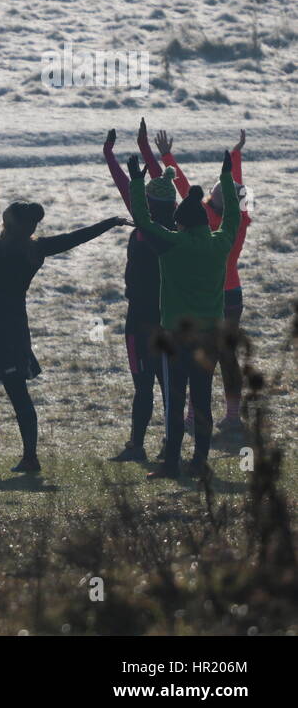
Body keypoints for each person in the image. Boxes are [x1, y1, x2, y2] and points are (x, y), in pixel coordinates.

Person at [0, 203, 128, 472]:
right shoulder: (37, 249)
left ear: (6, 224)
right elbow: (77, 236)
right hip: (13, 326)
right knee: (19, 393)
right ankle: (30, 457)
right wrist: (111, 221)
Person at [128, 151, 240, 479]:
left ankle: (171, 463)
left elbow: (143, 220)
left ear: (180, 223)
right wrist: (226, 180)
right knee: (202, 400)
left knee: (175, 402)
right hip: (210, 336)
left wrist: (137, 182)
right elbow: (232, 215)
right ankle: (200, 463)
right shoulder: (221, 244)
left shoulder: (171, 244)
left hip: (176, 337)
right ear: (205, 222)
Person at [154, 128, 252, 436]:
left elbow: (185, 188)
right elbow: (235, 189)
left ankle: (191, 418)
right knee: (227, 356)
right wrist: (234, 158)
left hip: (206, 295)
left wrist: (167, 156)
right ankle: (233, 415)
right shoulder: (239, 221)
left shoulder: (203, 221)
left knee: (198, 357)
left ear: (210, 199)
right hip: (232, 294)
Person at [102, 125, 176, 462]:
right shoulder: (179, 230)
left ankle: (137, 445)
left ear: (147, 204)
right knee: (171, 387)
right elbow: (161, 185)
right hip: (171, 318)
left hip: (142, 319)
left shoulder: (144, 226)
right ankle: (168, 447)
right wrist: (144, 150)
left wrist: (111, 156)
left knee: (144, 386)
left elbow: (128, 188)